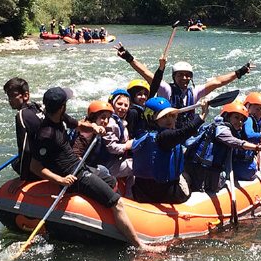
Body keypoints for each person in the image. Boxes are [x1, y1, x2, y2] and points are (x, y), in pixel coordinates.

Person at [33, 87, 166, 252]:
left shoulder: (60, 118)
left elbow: (79, 125)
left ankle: (103, 218)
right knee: (117, 203)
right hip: (74, 175)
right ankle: (140, 245)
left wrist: (93, 128)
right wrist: (60, 179)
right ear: (62, 107)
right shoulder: (45, 134)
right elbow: (35, 167)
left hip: (79, 167)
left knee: (111, 181)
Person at [118, 44, 252, 128]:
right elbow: (147, 74)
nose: (184, 78)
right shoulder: (166, 90)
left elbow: (218, 82)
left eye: (187, 75)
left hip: (188, 131)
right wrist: (129, 58)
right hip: (168, 131)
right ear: (174, 77)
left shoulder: (194, 92)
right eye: (180, 75)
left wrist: (239, 72)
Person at [131, 96, 209, 204]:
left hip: (141, 191)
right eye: (164, 117)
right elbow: (184, 132)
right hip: (165, 193)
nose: (169, 120)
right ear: (152, 119)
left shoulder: (141, 132)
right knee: (188, 177)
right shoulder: (164, 137)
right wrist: (203, 115)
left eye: (172, 115)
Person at [184, 100, 261, 192]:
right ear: (227, 116)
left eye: (242, 120)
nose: (239, 122)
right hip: (200, 170)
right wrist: (257, 148)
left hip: (204, 169)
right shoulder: (221, 129)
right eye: (236, 117)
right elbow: (234, 142)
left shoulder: (229, 129)